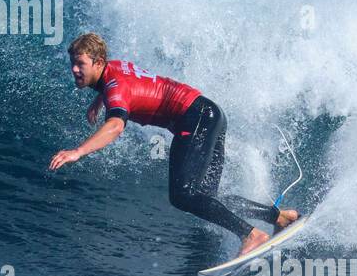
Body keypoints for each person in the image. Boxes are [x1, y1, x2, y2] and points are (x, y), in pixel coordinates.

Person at [49, 32, 298, 256]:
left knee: (183, 195)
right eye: (73, 63)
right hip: (209, 113)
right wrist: (99, 99)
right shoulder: (112, 71)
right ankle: (280, 217)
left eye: (80, 64)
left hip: (194, 119)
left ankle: (251, 235)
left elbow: (115, 126)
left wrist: (77, 151)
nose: (74, 69)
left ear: (98, 63)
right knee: (208, 198)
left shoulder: (114, 87)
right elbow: (125, 81)